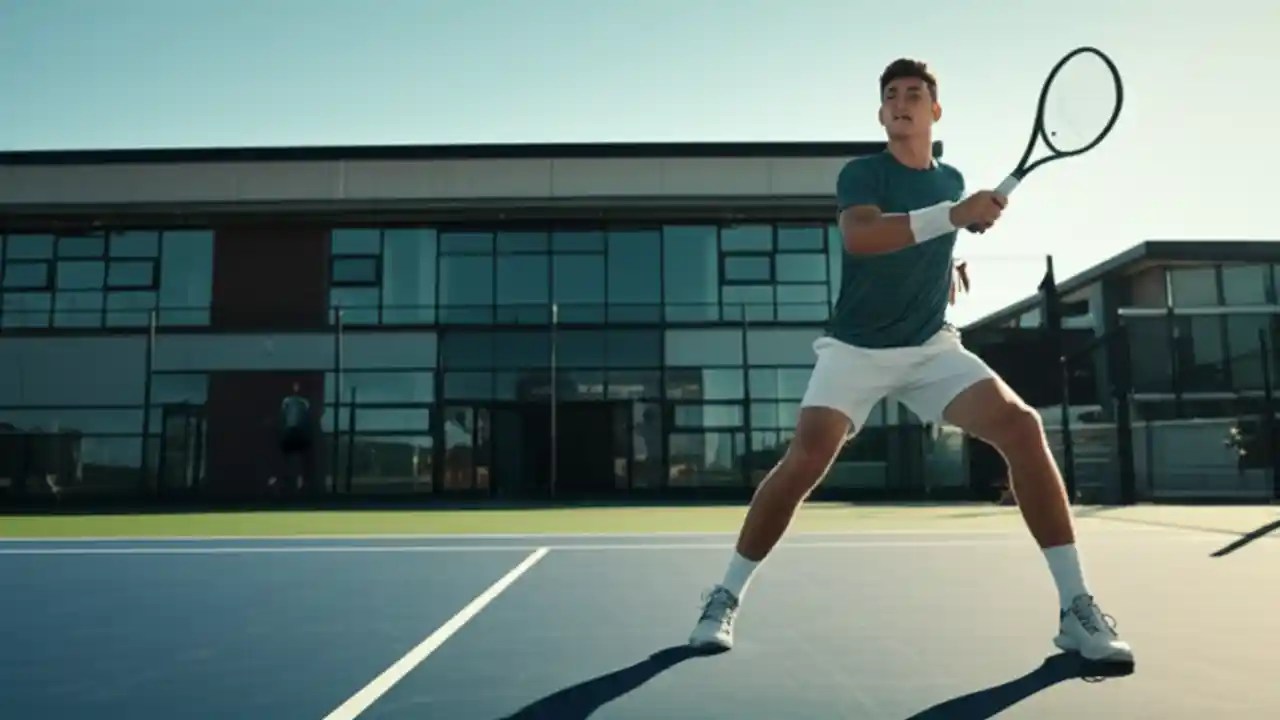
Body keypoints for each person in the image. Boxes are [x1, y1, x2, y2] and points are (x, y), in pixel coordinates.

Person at [687, 58, 1133, 665]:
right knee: (806, 458)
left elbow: (938, 233)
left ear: (934, 111)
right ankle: (724, 597)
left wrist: (951, 256)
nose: (902, 102)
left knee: (1023, 427)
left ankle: (1076, 608)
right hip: (855, 348)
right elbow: (863, 237)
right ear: (881, 114)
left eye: (915, 94)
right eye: (892, 95)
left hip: (929, 347)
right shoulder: (862, 174)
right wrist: (955, 216)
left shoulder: (951, 179)